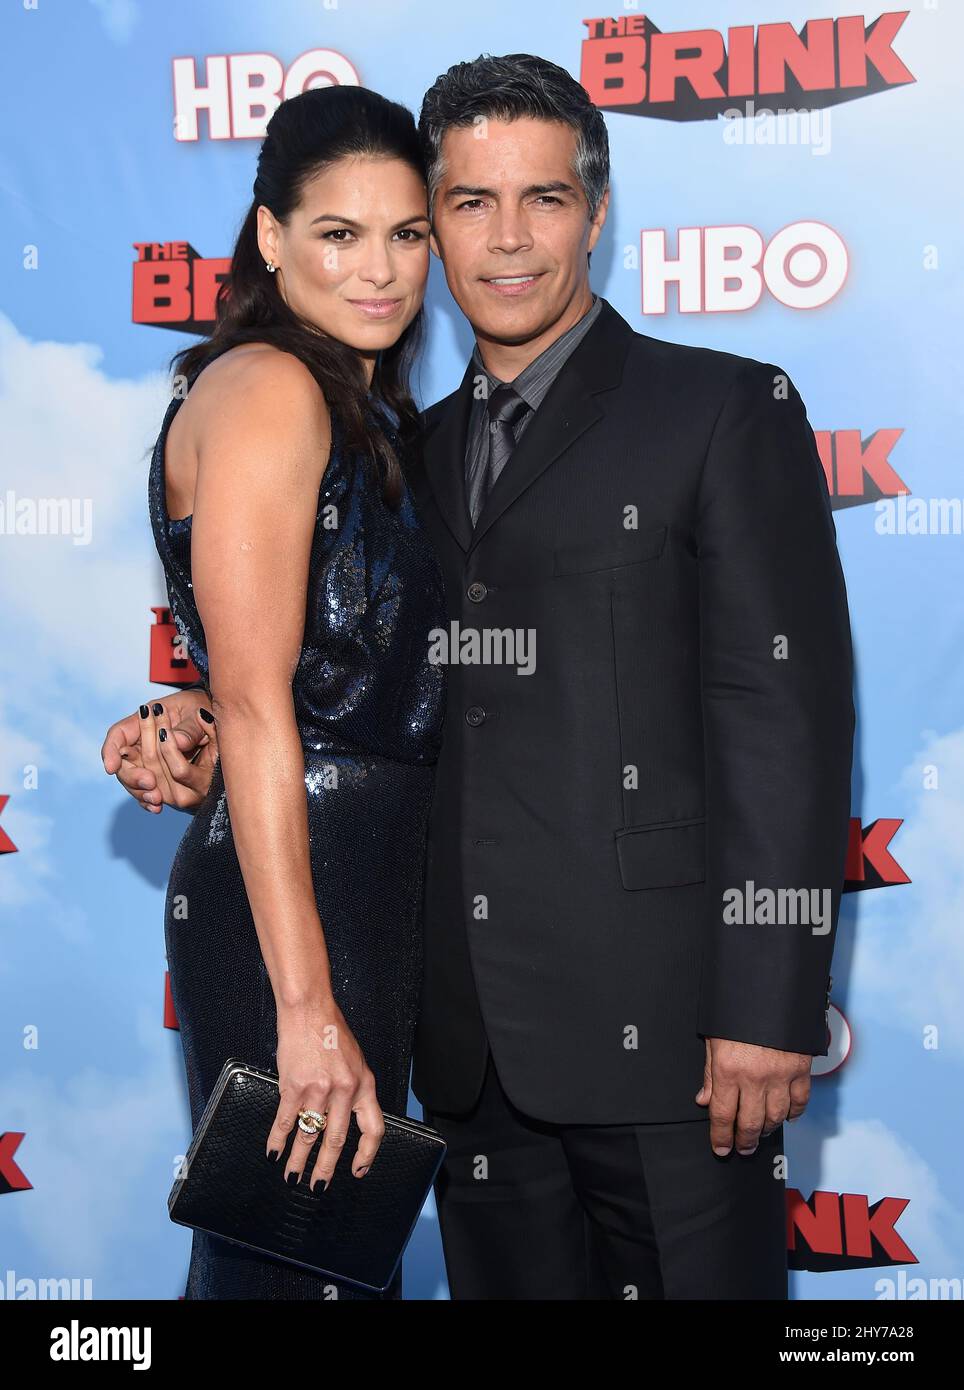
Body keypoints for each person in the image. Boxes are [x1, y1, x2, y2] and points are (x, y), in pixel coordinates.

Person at [105, 54, 855, 1300]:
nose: (503, 240)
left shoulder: (722, 410)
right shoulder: (407, 446)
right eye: (462, 206)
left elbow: (784, 714)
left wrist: (771, 1004)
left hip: (673, 1049)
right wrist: (197, 715)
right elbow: (335, 667)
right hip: (456, 1049)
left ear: (596, 213)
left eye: (544, 200)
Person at [105, 84, 446, 1300]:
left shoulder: (355, 402)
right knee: (297, 1277)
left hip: (352, 878)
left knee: (309, 1273)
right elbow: (255, 707)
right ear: (269, 238)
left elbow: (260, 681)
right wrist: (305, 1007)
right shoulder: (270, 389)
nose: (381, 271)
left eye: (406, 234)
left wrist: (174, 714)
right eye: (338, 235)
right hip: (300, 899)